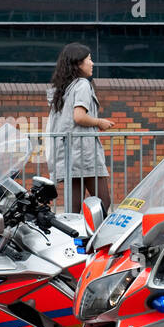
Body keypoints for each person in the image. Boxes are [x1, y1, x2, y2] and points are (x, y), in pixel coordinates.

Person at [46, 43, 113, 211]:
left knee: (73, 209)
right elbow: (79, 116)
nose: (92, 63)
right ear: (78, 64)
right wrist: (100, 122)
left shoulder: (63, 89)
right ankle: (93, 238)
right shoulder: (82, 84)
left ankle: (77, 238)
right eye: (89, 59)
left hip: (69, 154)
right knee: (103, 202)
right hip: (85, 154)